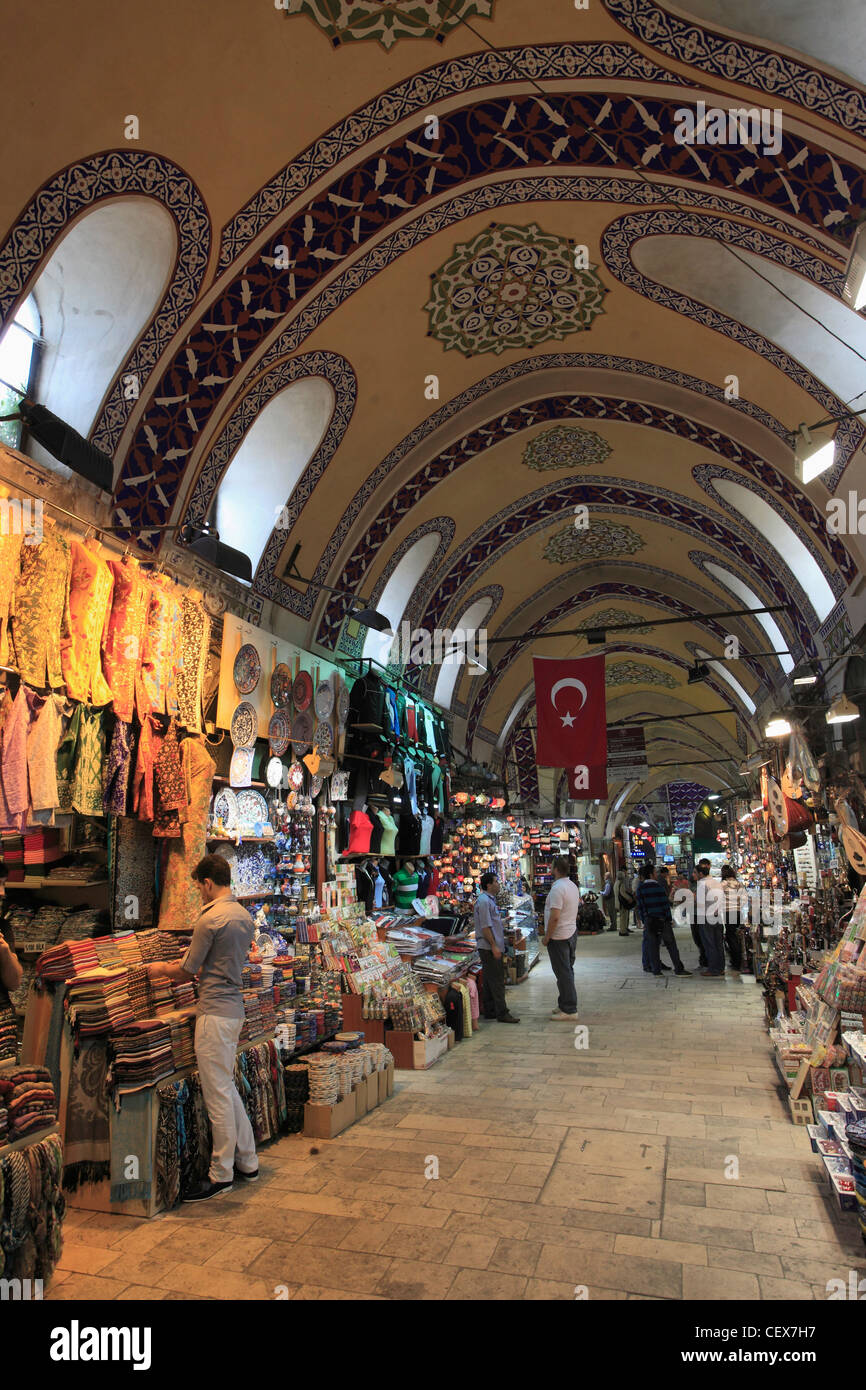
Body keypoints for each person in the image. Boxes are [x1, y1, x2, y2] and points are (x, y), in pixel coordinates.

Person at [147, 853, 258, 1200]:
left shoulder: (210, 919)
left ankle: (221, 1173)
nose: (200, 893)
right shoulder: (244, 915)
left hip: (214, 1012)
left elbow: (188, 968)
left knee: (217, 1094)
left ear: (208, 883)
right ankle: (248, 1161)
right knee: (225, 1087)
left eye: (199, 887)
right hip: (234, 1009)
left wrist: (160, 969)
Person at [473, 871, 519, 1024]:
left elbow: (490, 923)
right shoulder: (485, 901)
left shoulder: (488, 900)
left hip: (489, 945)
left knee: (489, 979)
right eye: (496, 882)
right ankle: (502, 1012)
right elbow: (486, 927)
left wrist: (503, 921)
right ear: (488, 885)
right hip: (488, 946)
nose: (498, 884)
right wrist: (494, 946)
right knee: (497, 980)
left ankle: (490, 1009)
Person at [541, 855, 580, 1019]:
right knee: (567, 970)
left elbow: (555, 916)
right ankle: (564, 1003)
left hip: (559, 936)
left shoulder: (558, 889)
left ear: (556, 869)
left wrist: (547, 936)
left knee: (563, 972)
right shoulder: (572, 886)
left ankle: (570, 1009)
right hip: (570, 933)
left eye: (551, 866)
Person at [635, 863, 690, 977]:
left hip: (650, 920)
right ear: (651, 874)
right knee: (671, 945)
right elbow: (665, 905)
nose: (656, 874)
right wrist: (669, 918)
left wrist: (645, 921)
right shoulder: (658, 887)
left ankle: (656, 970)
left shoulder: (640, 888)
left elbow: (641, 907)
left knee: (653, 946)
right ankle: (678, 969)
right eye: (655, 872)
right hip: (663, 919)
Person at [695, 862, 726, 979]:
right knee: (718, 943)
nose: (694, 875)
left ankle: (713, 969)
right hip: (718, 916)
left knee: (709, 943)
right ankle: (720, 967)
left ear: (701, 874)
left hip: (707, 917)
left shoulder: (702, 884)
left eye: (695, 872)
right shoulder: (716, 883)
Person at [0, 861, 23, 1001]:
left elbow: (14, 984)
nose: (2, 892)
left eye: (3, 884)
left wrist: (5, 950)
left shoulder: (3, 926)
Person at [720, 864, 744, 974]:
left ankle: (736, 961)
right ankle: (739, 960)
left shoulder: (724, 884)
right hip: (738, 912)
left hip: (729, 912)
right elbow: (744, 898)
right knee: (737, 936)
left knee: (731, 936)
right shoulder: (739, 884)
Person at [613, 869, 635, 936]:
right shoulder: (621, 883)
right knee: (624, 917)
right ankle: (623, 931)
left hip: (617, 902)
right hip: (622, 903)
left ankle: (622, 930)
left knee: (621, 917)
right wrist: (629, 898)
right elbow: (623, 893)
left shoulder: (616, 883)